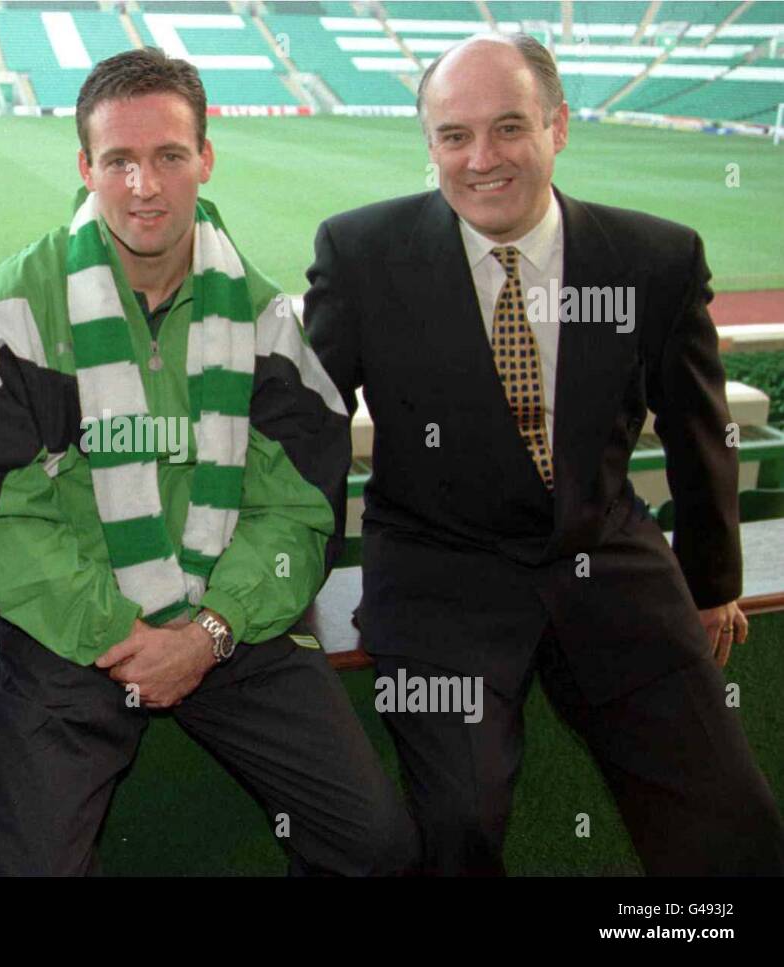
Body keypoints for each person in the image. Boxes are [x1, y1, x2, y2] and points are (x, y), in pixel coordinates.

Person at [305, 33, 784, 875]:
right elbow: (309, 435)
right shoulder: (361, 254)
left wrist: (713, 586)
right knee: (459, 822)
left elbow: (700, 432)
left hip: (611, 563)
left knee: (733, 823)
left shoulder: (656, 259)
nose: (481, 159)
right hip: (441, 584)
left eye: (508, 128)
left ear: (558, 126)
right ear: (431, 146)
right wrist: (286, 594)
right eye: (454, 137)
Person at [0, 48, 417, 876]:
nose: (145, 185)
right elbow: (2, 516)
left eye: (169, 155)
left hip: (231, 624)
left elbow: (300, 508)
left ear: (205, 156)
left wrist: (208, 630)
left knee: (375, 841)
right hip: (74, 633)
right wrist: (121, 632)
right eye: (119, 160)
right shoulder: (18, 304)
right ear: (85, 166)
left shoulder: (265, 315)